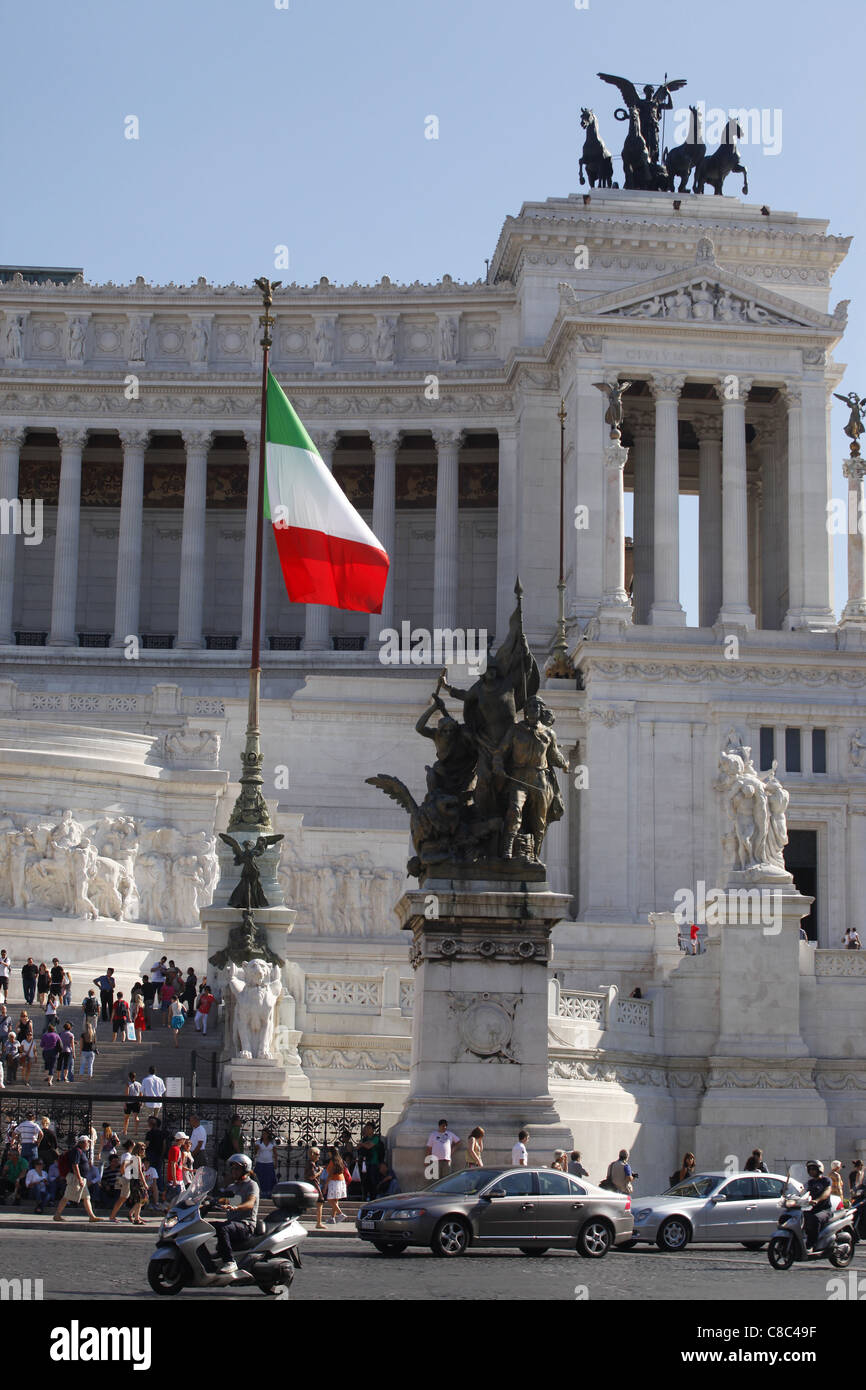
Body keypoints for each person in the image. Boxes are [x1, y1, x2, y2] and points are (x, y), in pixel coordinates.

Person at [214, 1154, 260, 1273]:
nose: (233, 1171)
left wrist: (236, 1207)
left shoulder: (251, 1185)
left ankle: (230, 1261)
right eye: (232, 1168)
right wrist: (204, 1202)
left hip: (245, 1225)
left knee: (222, 1228)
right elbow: (222, 1200)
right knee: (207, 1226)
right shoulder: (232, 1187)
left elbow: (250, 1203)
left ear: (245, 1169)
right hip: (233, 1224)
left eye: (237, 1168)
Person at [53, 1135, 102, 1223]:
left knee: (87, 1197)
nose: (88, 1144)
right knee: (67, 1196)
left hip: (81, 1178)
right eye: (88, 1142)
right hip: (75, 1178)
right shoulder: (76, 1151)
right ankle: (57, 1215)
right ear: (82, 1142)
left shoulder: (81, 1151)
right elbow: (75, 1165)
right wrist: (79, 1179)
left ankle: (92, 1216)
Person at [803, 1159, 832, 1249]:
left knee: (815, 1219)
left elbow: (827, 1192)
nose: (811, 1171)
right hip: (811, 1209)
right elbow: (802, 1191)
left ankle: (812, 1244)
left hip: (824, 1210)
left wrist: (817, 1200)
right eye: (810, 1169)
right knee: (799, 1217)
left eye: (813, 1169)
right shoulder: (809, 1182)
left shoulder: (826, 1180)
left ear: (819, 1169)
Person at [357, 1121, 386, 1199]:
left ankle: (374, 1196)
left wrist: (363, 1144)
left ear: (373, 1130)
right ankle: (365, 1196)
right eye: (366, 1128)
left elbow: (369, 1146)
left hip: (374, 1163)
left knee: (373, 1181)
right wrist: (364, 1143)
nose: (367, 1129)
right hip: (365, 1163)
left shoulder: (375, 1138)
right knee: (365, 1181)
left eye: (369, 1128)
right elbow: (358, 1147)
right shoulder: (364, 1139)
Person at [324, 1145, 349, 1223]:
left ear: (331, 1153)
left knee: (330, 1199)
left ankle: (340, 1214)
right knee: (335, 1200)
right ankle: (332, 1218)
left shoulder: (332, 1161)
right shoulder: (340, 1160)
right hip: (341, 1181)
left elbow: (330, 1174)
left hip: (334, 1181)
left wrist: (325, 1186)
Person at [304, 1147, 326, 1229]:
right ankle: (319, 1223)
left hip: (311, 1184)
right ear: (312, 1155)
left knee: (309, 1204)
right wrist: (320, 1171)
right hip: (313, 1185)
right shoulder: (311, 1163)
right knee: (320, 1202)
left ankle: (319, 1222)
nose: (319, 1156)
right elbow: (312, 1176)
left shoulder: (311, 1163)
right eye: (317, 1154)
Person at [253, 1126, 277, 1197]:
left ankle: (269, 1193)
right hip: (260, 1162)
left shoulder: (272, 1142)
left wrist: (275, 1162)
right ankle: (260, 1192)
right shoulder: (258, 1142)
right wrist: (256, 1149)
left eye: (265, 1134)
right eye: (263, 1134)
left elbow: (275, 1153)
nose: (264, 1135)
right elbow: (255, 1152)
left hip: (269, 1162)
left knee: (269, 1179)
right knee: (260, 1178)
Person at [165, 1132, 187, 1205]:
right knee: (175, 1199)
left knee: (181, 1198)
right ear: (180, 1140)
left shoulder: (177, 1149)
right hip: (176, 1178)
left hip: (178, 1177)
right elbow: (173, 1165)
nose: (185, 1141)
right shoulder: (175, 1149)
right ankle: (171, 1213)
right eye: (184, 1139)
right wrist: (174, 1180)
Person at [40, 1020, 61, 1086]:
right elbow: (60, 1044)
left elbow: (41, 1045)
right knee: (51, 1066)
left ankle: (47, 1076)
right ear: (53, 1030)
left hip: (46, 1052)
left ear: (48, 1030)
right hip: (54, 1052)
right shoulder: (56, 1035)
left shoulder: (44, 1035)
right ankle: (50, 1081)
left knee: (46, 1064)